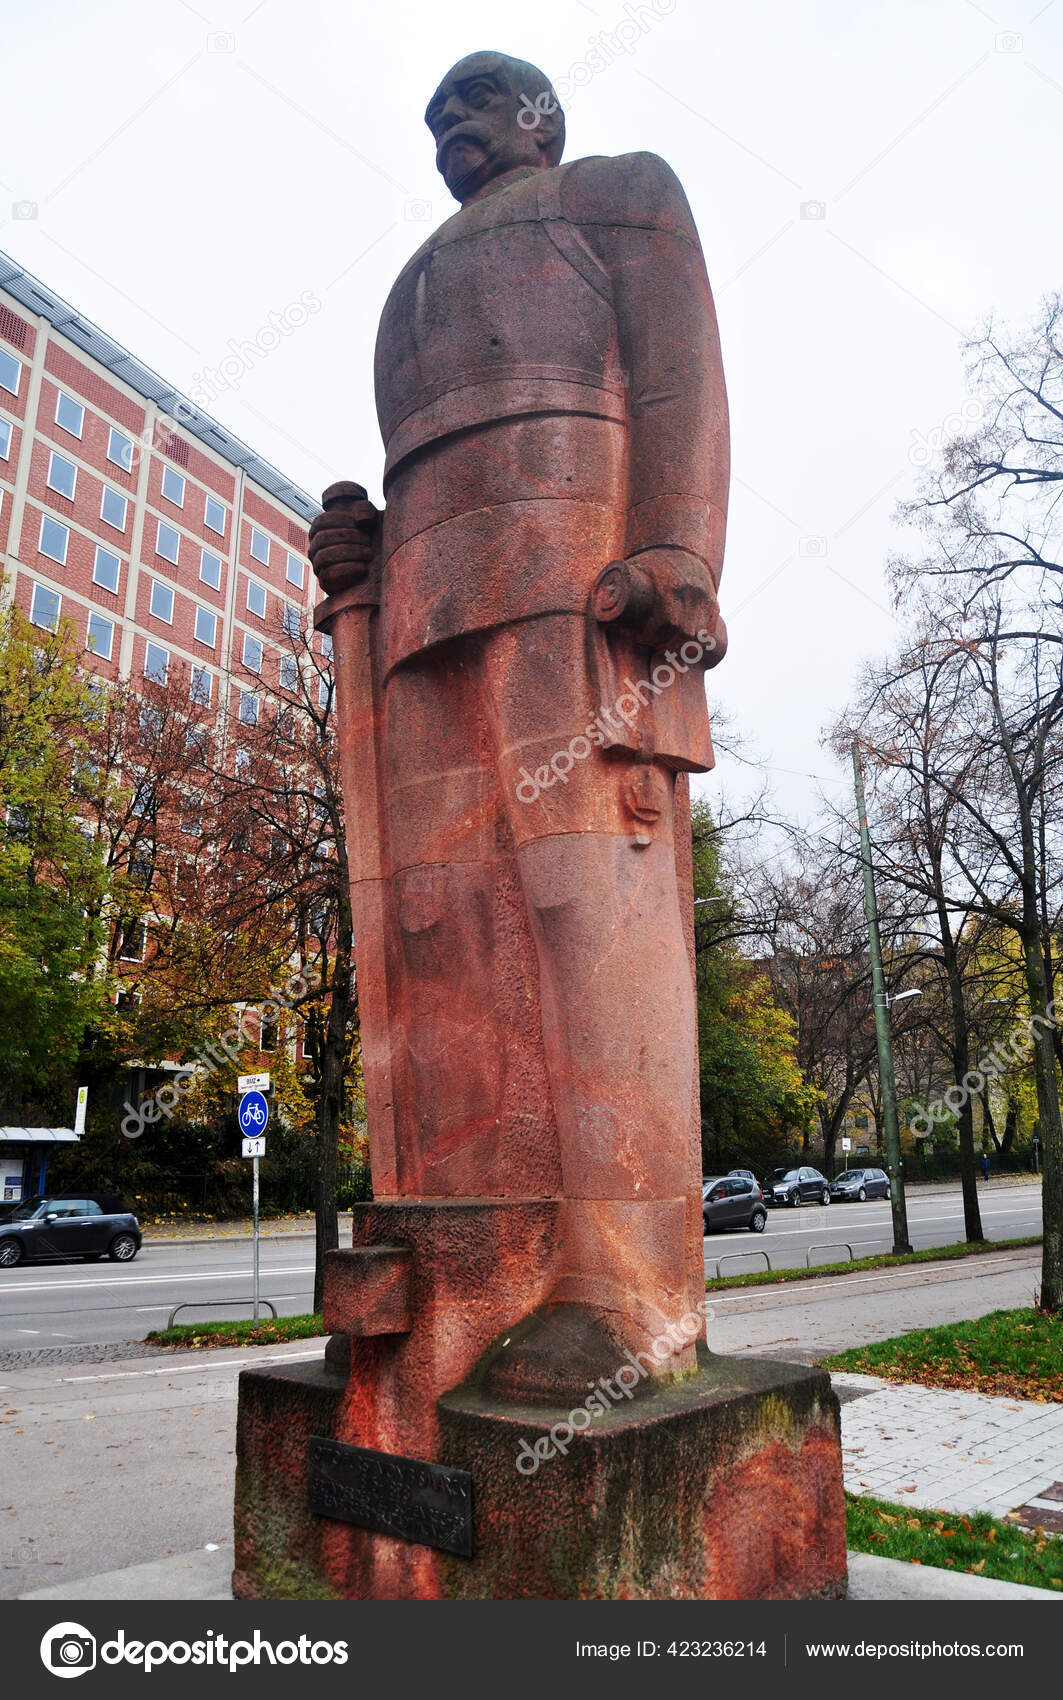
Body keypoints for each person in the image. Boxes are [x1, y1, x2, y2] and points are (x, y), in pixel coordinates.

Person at [309, 52, 729, 1396]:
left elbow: (679, 380)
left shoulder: (616, 195)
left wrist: (675, 550)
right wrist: (361, 565)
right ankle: (462, 1279)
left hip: (577, 581)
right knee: (444, 935)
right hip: (426, 609)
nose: (451, 130)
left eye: (475, 105)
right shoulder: (414, 278)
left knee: (580, 907)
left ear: (541, 115)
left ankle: (618, 1287)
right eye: (432, 119)